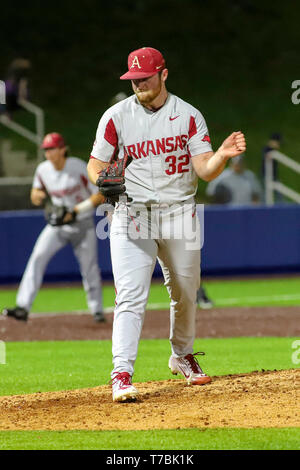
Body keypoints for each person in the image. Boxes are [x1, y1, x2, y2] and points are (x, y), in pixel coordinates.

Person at [87, 47, 246, 402]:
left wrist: (220, 155)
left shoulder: (188, 115)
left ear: (163, 74)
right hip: (133, 214)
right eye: (134, 79)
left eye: (145, 78)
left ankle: (182, 355)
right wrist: (101, 180)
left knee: (187, 291)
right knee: (130, 294)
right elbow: (95, 163)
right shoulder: (116, 116)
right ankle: (122, 372)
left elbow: (204, 169)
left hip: (180, 212)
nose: (139, 84)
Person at [2, 132, 106, 323]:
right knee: (37, 257)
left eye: (52, 149)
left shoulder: (77, 167)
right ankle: (23, 307)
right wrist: (37, 195)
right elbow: (36, 190)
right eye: (46, 150)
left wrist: (75, 211)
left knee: (89, 268)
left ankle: (97, 310)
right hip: (58, 225)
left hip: (82, 224)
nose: (48, 153)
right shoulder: (43, 170)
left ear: (62, 149)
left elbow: (99, 195)